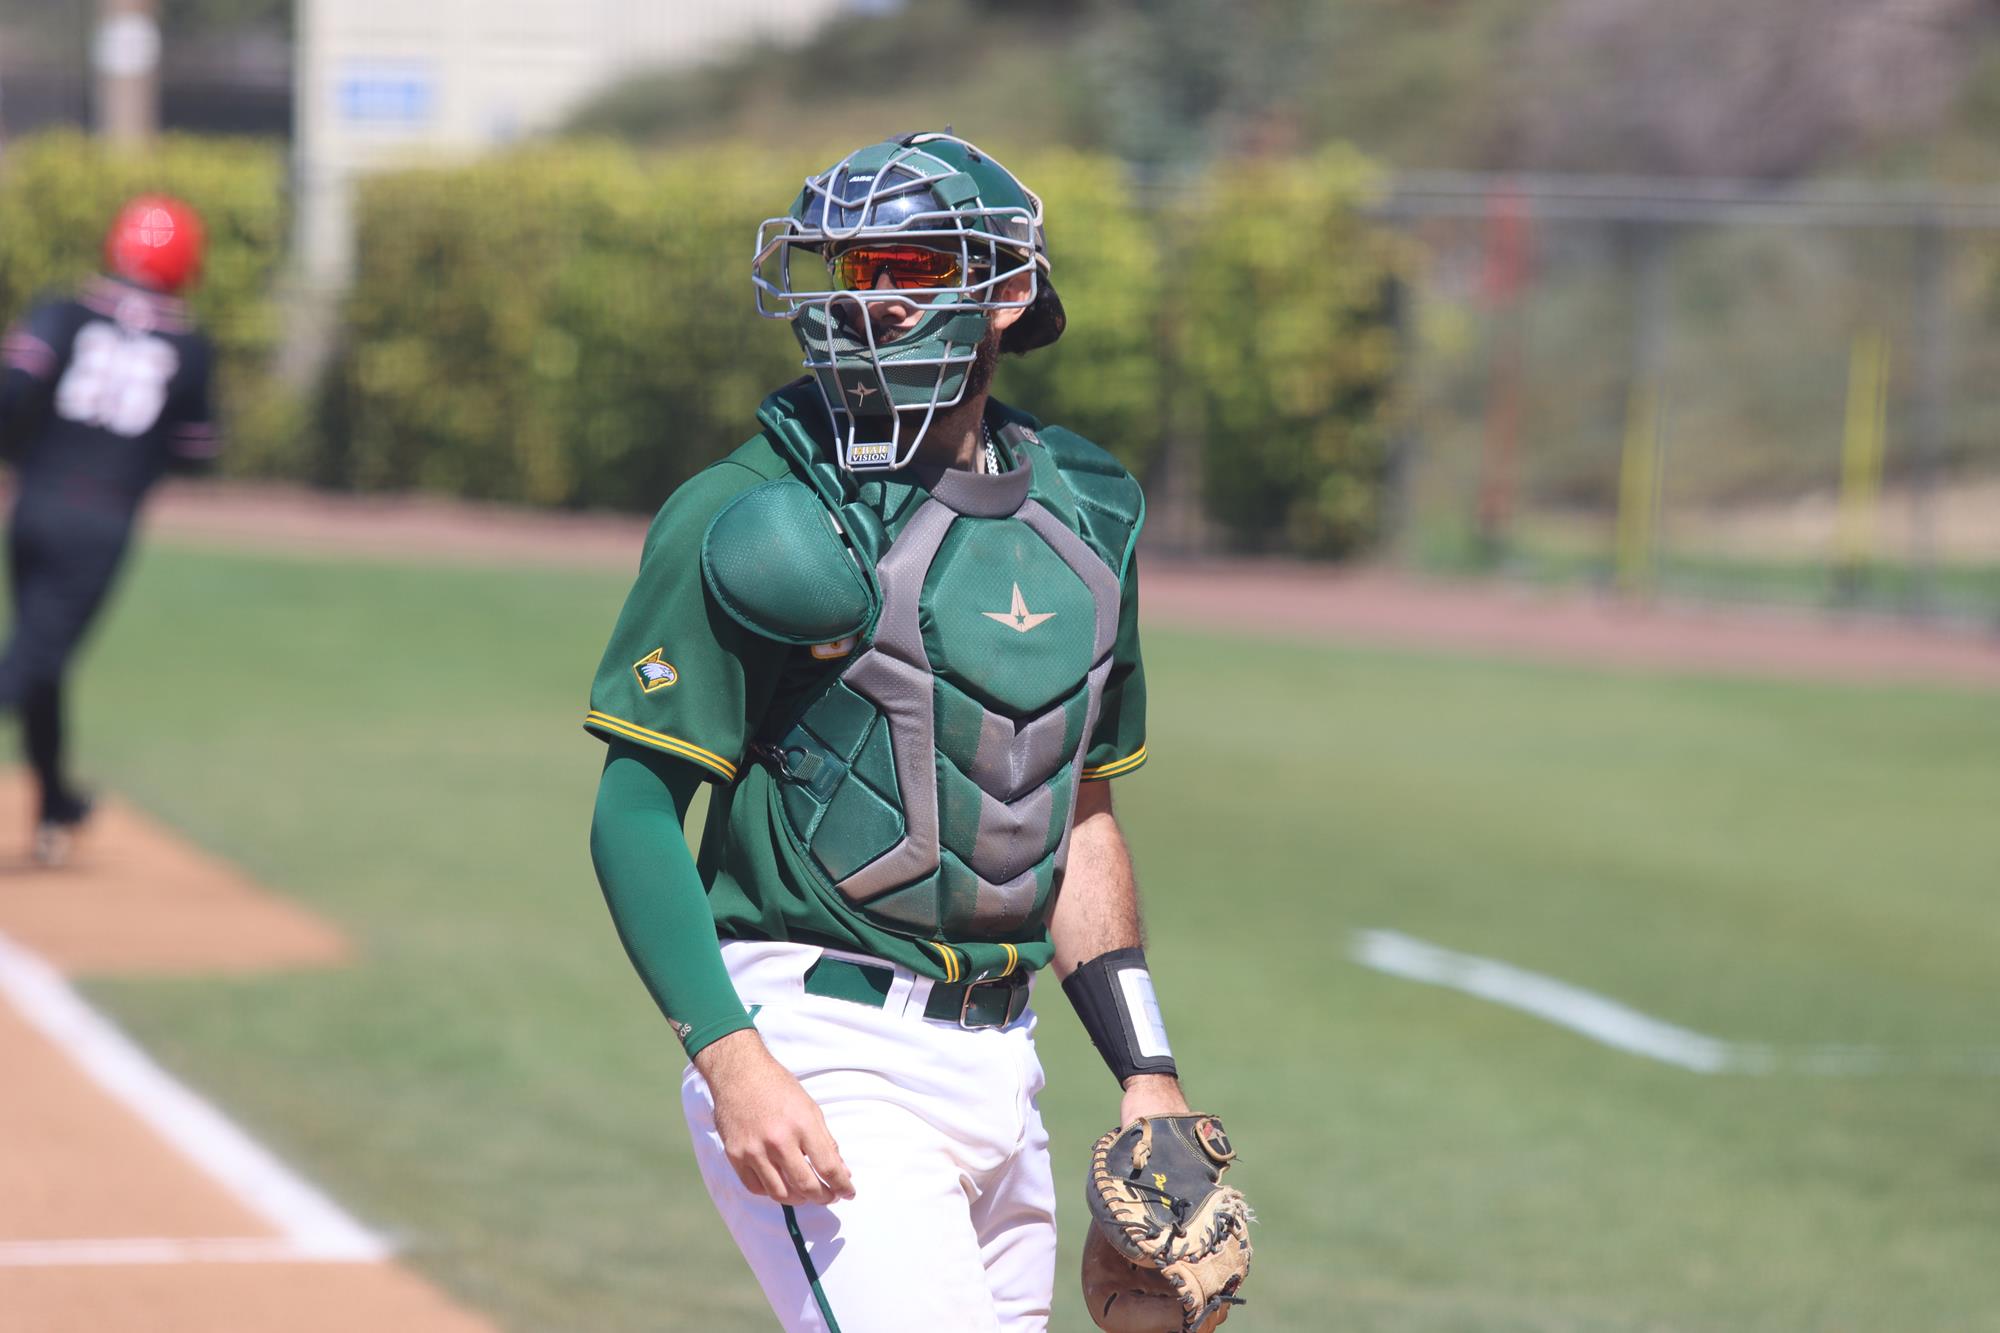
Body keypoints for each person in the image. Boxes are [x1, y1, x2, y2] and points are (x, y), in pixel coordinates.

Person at [585, 132, 1202, 1332]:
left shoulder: (1088, 509)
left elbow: (1072, 815)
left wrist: (1147, 1072)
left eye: (908, 268)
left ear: (1006, 292)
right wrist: (730, 1056)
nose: (866, 306)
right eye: (848, 272)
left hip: (1001, 1065)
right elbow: (633, 807)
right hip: (816, 1047)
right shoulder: (752, 509)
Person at [0, 195, 219, 863]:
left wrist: (21, 451)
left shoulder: (66, 309)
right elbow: (199, 450)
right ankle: (56, 802)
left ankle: (55, 804)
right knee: (33, 657)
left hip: (33, 505)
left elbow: (12, 386)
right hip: (100, 521)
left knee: (44, 656)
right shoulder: (189, 343)